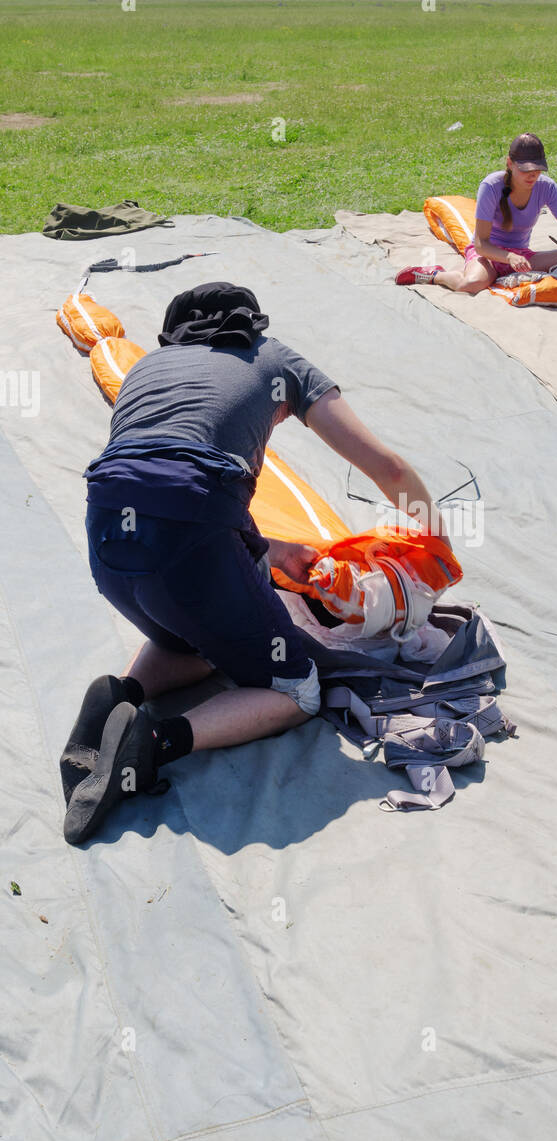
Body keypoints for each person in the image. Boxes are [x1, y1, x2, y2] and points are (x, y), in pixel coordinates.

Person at [61, 281, 446, 846]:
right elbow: (387, 470)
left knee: (190, 641)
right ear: (251, 325)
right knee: (297, 692)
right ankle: (150, 744)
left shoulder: (151, 367)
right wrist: (437, 538)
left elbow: (160, 478)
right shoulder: (274, 359)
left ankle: (122, 693)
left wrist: (262, 552)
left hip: (107, 540)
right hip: (191, 538)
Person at [396, 133, 557, 309]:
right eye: (525, 169)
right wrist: (508, 258)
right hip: (489, 255)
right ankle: (435, 275)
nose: (532, 175)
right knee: (470, 284)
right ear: (509, 164)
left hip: (522, 256)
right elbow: (481, 243)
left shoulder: (547, 187)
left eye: (537, 169)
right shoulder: (491, 186)